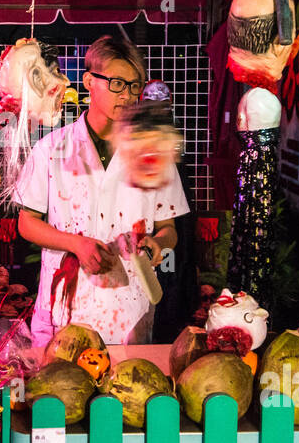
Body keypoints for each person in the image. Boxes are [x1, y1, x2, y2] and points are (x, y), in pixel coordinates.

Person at [16, 36, 189, 346]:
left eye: (135, 86)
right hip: (63, 308)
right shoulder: (52, 149)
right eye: (117, 84)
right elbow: (26, 222)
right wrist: (76, 244)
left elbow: (168, 228)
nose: (127, 96)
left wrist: (157, 244)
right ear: (89, 81)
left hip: (128, 313)